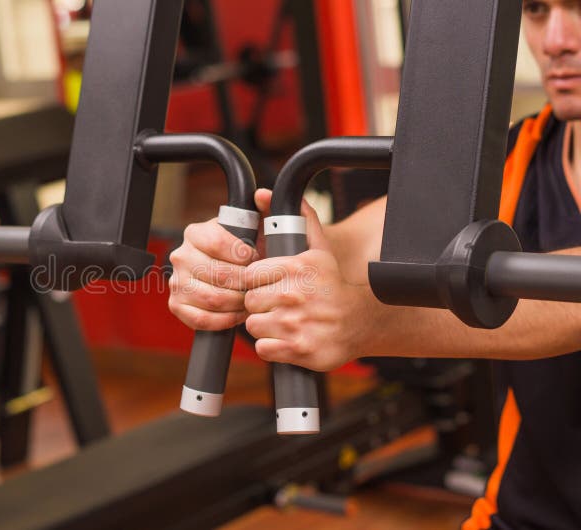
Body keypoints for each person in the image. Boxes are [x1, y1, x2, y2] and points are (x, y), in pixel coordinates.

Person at [167, 2, 581, 529]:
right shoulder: (519, 154)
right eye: (539, 9)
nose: (557, 40)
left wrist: (367, 322)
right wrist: (235, 264)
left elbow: (571, 309)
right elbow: (357, 244)